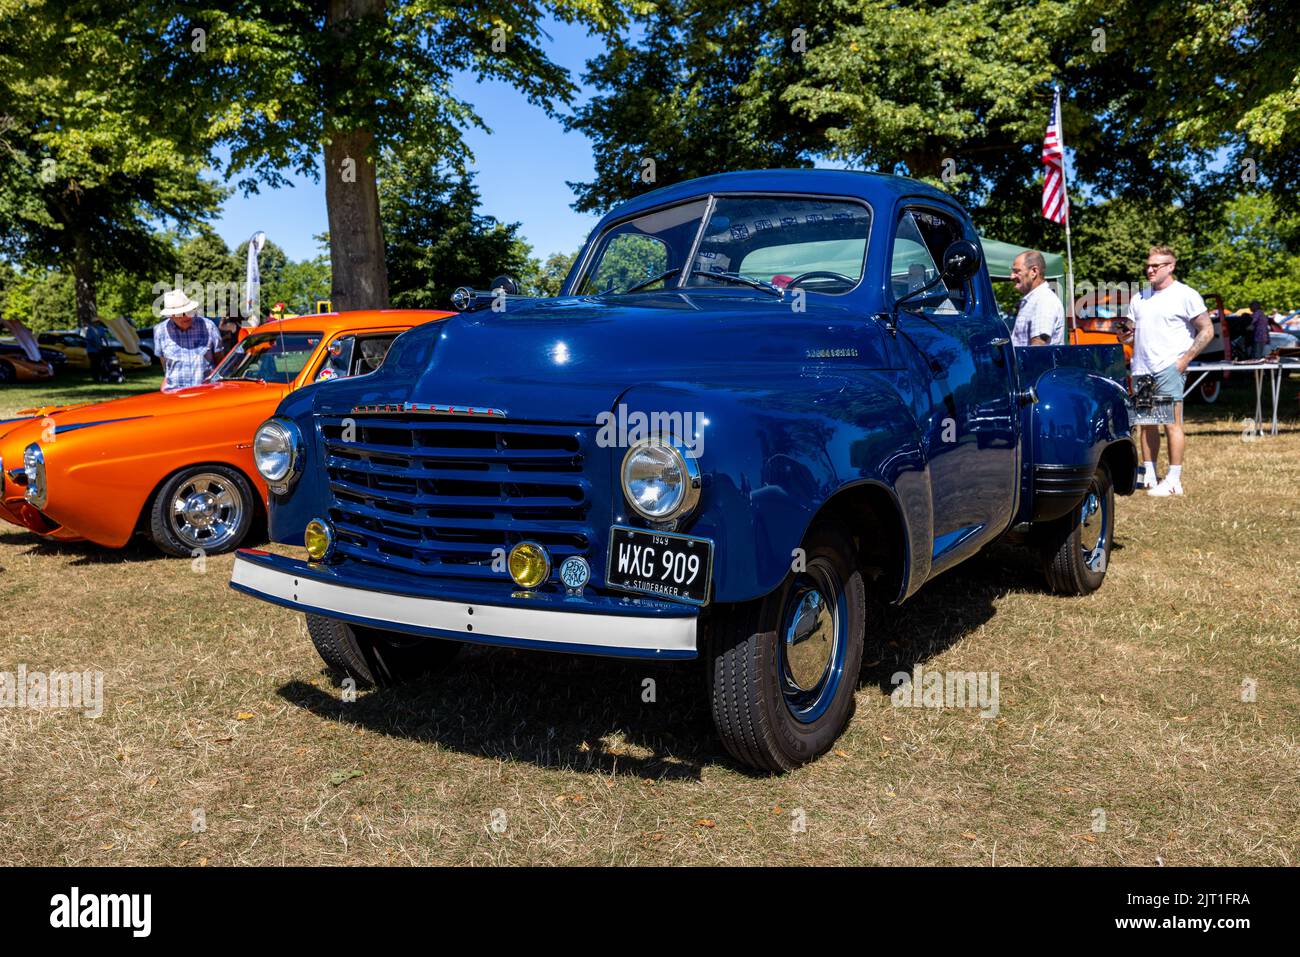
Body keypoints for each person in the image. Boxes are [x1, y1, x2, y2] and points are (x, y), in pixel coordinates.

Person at [1119, 246, 1214, 497]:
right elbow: (1129, 333)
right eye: (1148, 265)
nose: (1149, 269)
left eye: (1156, 266)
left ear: (1170, 266)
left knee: (1171, 423)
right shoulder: (1139, 297)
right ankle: (1149, 474)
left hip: (1168, 367)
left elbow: (1207, 330)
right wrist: (1124, 334)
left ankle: (1173, 481)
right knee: (1146, 424)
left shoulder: (1185, 294)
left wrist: (1184, 360)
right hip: (1142, 367)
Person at [153, 289, 222, 391]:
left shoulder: (208, 326)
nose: (187, 316)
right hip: (174, 394)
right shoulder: (160, 331)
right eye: (181, 313)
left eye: (189, 311)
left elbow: (220, 360)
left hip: (206, 391)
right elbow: (165, 364)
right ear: (171, 316)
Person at [1010, 250, 1065, 346]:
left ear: (1034, 272)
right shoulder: (1033, 300)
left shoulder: (1043, 301)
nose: (1011, 276)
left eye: (1016, 271)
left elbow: (1038, 348)